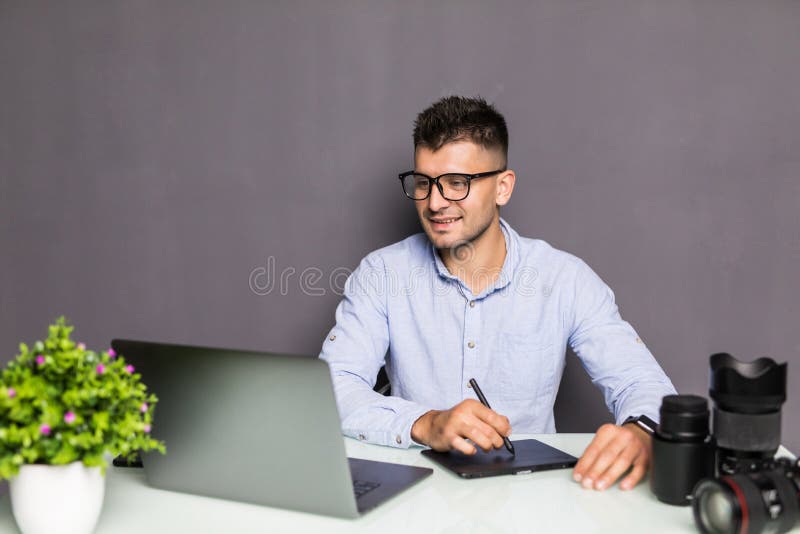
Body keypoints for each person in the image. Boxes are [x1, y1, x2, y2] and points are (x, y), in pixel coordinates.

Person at [319, 96, 676, 491]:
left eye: (457, 183)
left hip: (530, 501)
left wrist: (641, 432)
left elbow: (642, 384)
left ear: (502, 188)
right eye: (424, 183)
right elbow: (331, 388)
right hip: (415, 496)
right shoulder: (381, 273)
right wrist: (426, 422)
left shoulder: (564, 278)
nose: (435, 203)